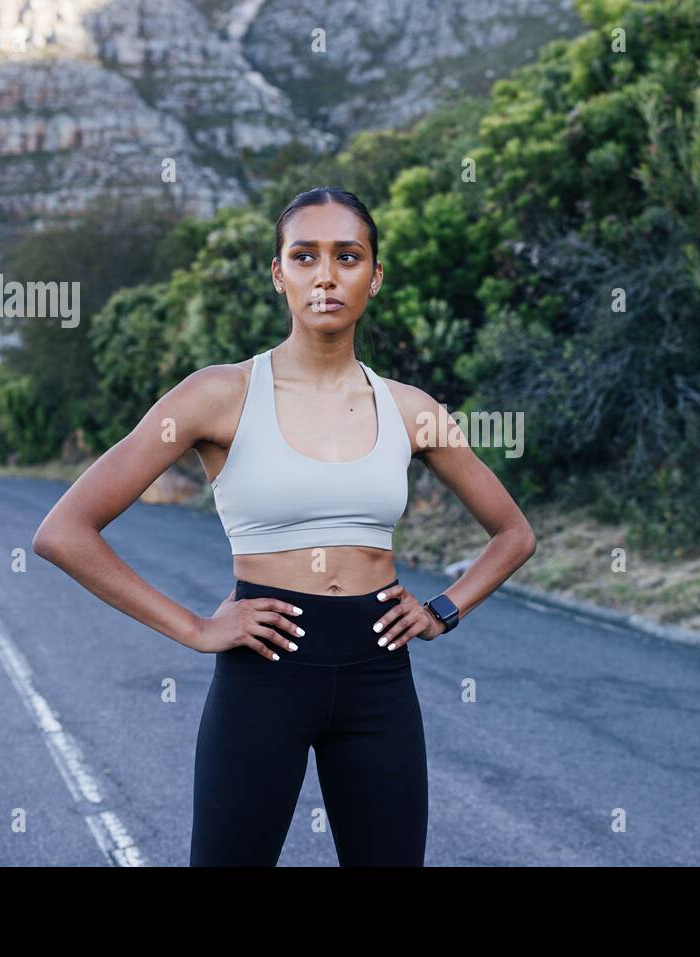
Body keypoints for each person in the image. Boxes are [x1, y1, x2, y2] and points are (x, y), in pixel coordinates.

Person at [31, 186, 537, 866]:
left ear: (375, 276)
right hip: (261, 676)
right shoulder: (218, 394)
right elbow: (65, 530)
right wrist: (197, 627)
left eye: (347, 256)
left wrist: (443, 608)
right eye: (305, 256)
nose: (326, 275)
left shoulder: (412, 409)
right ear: (279, 274)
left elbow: (513, 534)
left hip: (379, 678)